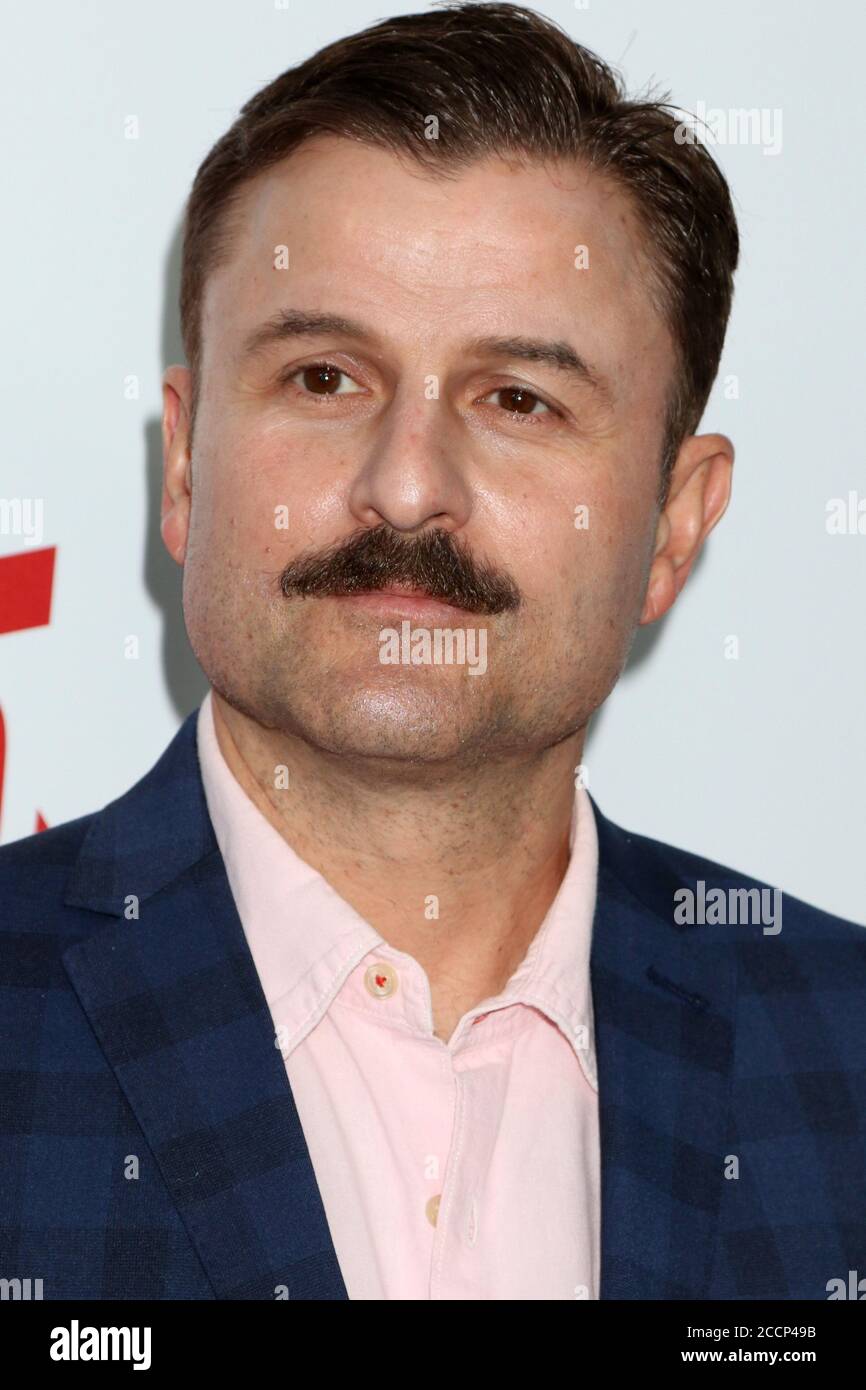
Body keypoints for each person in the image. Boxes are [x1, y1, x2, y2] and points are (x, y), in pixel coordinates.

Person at [1, 2, 863, 1301]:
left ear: (673, 523)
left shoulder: (841, 1047)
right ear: (181, 462)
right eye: (323, 379)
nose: (405, 490)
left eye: (516, 398)